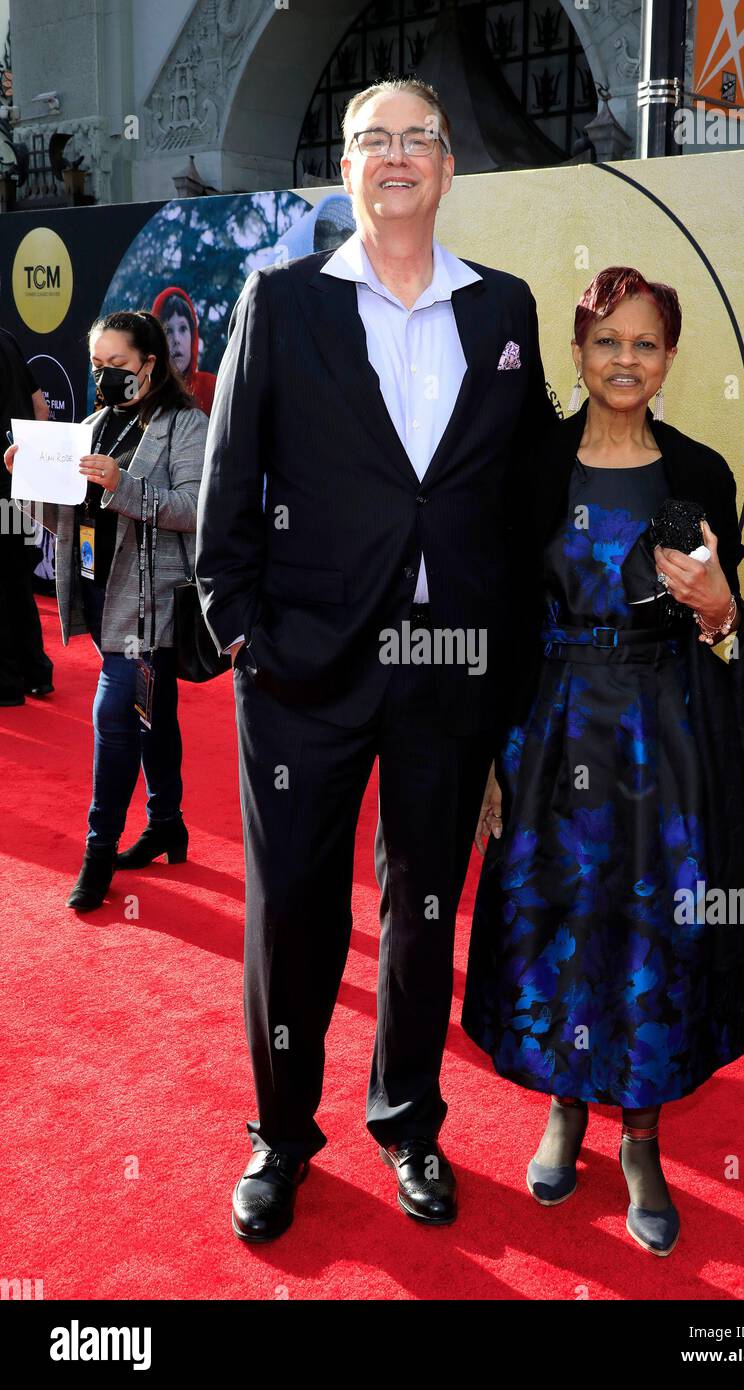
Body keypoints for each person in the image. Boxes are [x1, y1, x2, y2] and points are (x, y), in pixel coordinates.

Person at [196, 77, 555, 1242]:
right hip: (302, 667)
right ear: (342, 167)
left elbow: (516, 495)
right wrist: (241, 628)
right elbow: (230, 479)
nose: (395, 156)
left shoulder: (502, 311)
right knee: (292, 908)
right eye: (371, 140)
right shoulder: (282, 299)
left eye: (417, 138)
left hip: (447, 670)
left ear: (448, 167)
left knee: (423, 907)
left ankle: (407, 1121)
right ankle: (280, 1135)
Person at [462, 268, 744, 1259]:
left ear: (669, 357)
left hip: (664, 734)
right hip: (553, 726)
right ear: (577, 351)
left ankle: (640, 1138)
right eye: (606, 342)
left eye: (644, 344)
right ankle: (564, 1105)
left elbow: (721, 627)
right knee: (555, 914)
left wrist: (722, 612)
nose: (624, 361)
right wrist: (486, 754)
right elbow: (504, 616)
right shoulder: (532, 467)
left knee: (653, 924)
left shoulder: (699, 470)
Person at [6, 311, 208, 910]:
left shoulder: (184, 424)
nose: (104, 376)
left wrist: (122, 485)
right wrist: (31, 482)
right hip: (98, 596)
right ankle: (167, 821)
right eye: (96, 365)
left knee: (115, 717)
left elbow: (195, 508)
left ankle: (98, 853)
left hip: (151, 607)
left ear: (149, 364)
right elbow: (63, 521)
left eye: (116, 365)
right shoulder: (91, 425)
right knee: (152, 715)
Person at [0, 325, 54, 706]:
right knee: (16, 576)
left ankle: (6, 681)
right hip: (17, 488)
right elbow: (42, 410)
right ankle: (36, 671)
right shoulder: (8, 340)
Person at [152, 287, 217, 416]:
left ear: (192, 336)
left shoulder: (213, 387)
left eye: (183, 329)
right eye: (168, 331)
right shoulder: (147, 394)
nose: (176, 339)